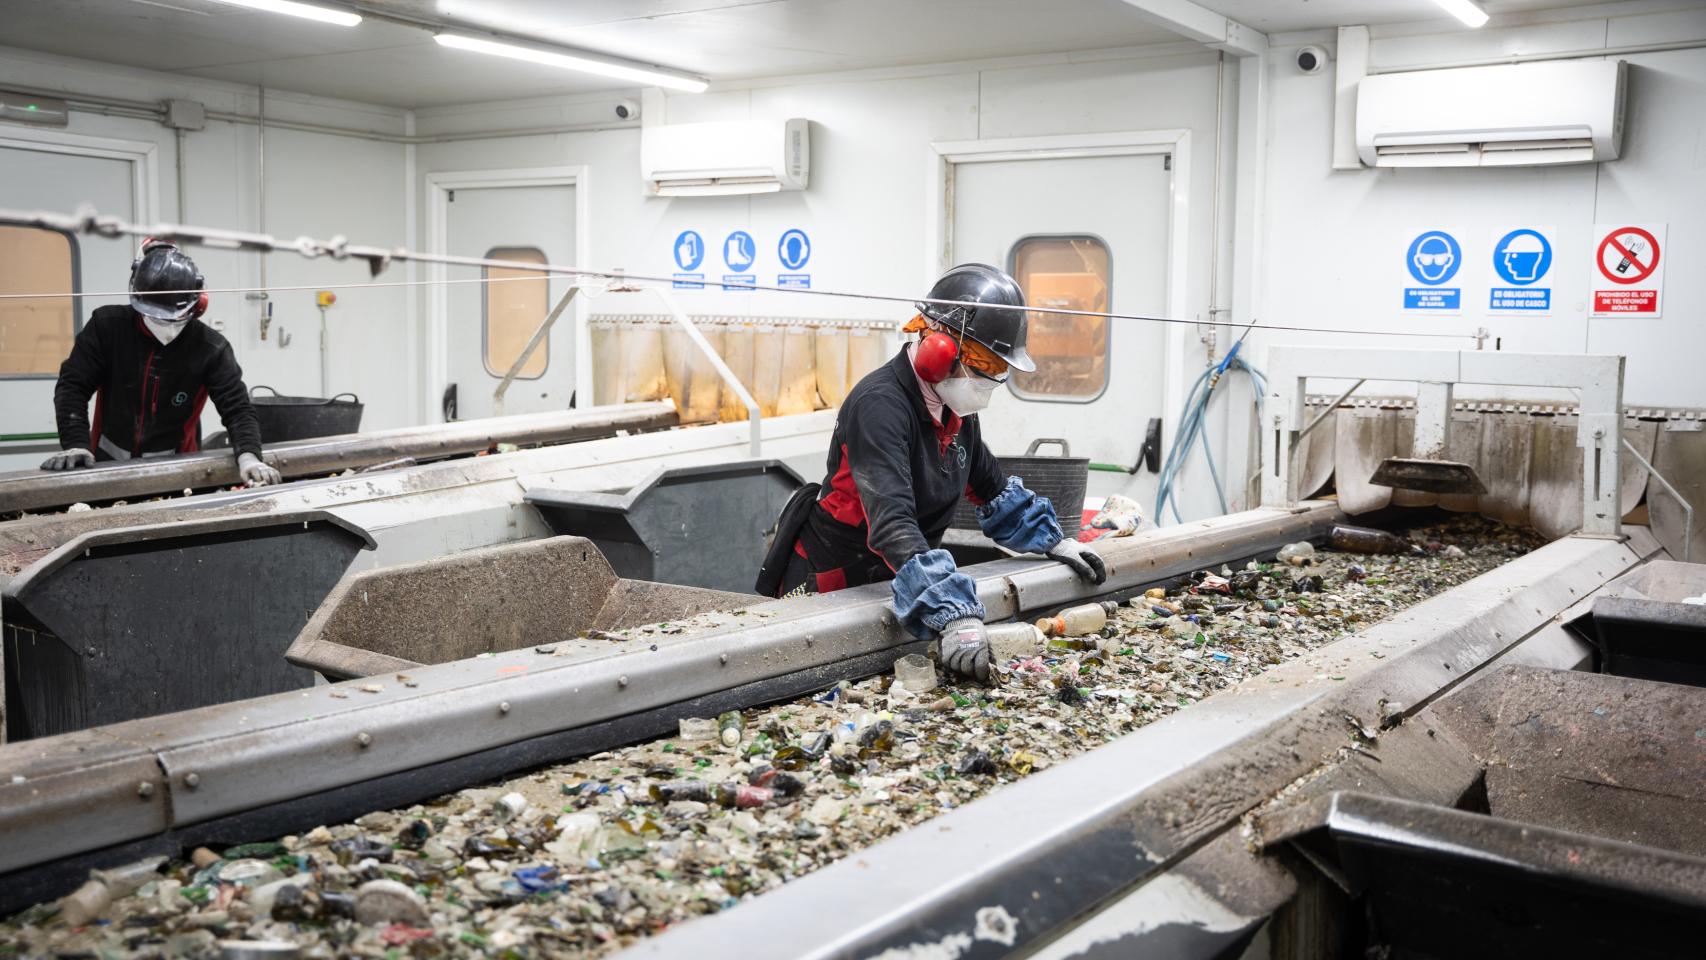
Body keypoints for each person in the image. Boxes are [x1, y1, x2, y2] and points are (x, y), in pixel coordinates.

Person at [755, 263, 1106, 681]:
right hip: (834, 578)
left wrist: (1056, 543)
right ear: (939, 349)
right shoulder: (879, 406)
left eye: (997, 370)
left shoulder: (954, 407)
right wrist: (954, 612)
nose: (987, 383)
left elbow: (992, 490)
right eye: (981, 366)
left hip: (897, 578)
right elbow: (893, 525)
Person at [41, 239, 281, 486]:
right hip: (106, 463)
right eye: (154, 317)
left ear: (197, 305)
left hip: (178, 469)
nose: (163, 326)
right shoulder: (107, 327)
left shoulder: (210, 348)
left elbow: (237, 409)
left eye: (173, 319)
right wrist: (76, 444)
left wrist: (249, 457)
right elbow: (73, 386)